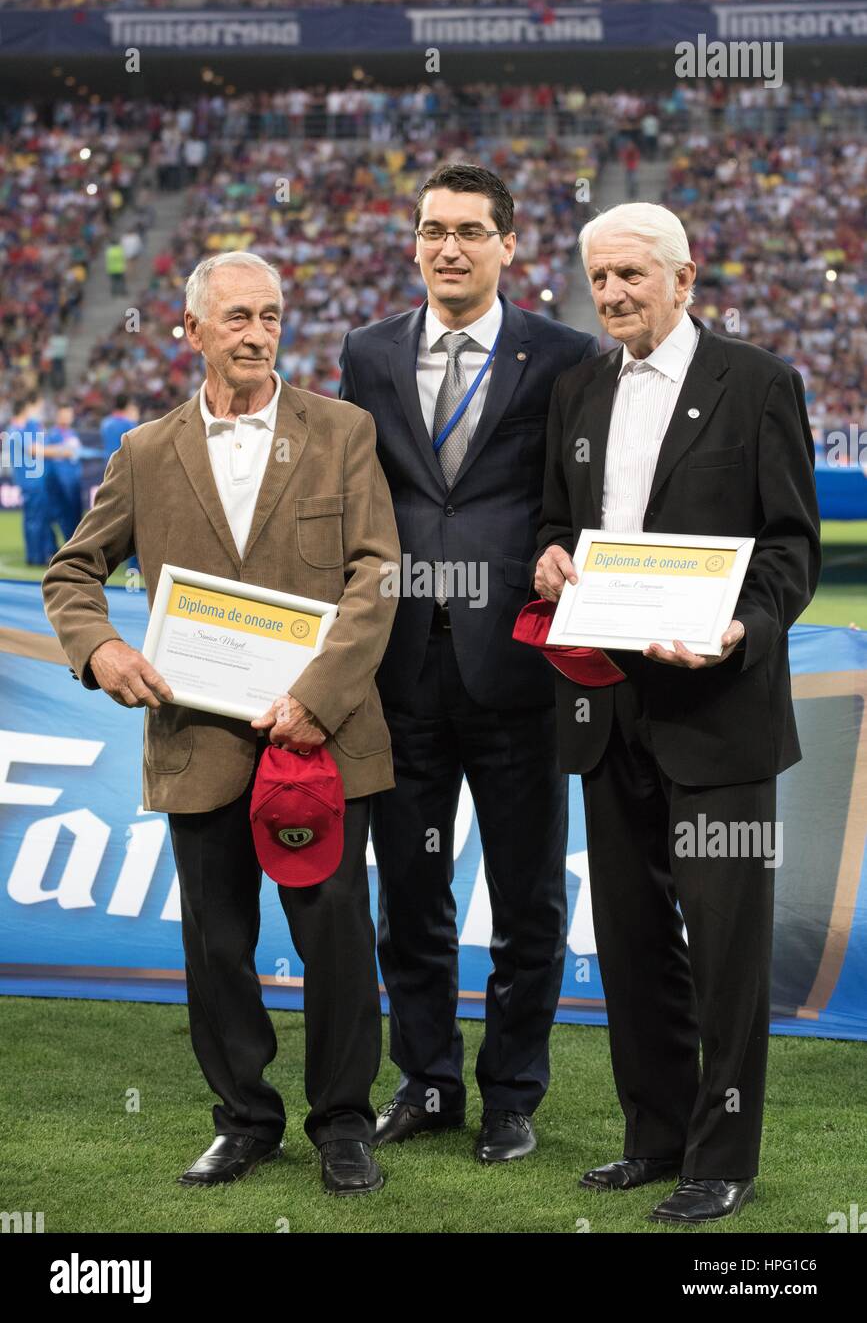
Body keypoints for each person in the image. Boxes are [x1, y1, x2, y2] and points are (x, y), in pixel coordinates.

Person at [43, 251, 401, 1197]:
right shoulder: (144, 451)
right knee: (216, 945)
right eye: (236, 317)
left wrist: (316, 699)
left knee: (334, 939)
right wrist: (98, 651)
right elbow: (72, 574)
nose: (256, 334)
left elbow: (377, 576)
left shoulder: (342, 431)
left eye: (271, 317)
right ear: (190, 330)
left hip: (319, 738)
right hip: (197, 744)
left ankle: (344, 1123)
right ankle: (244, 1118)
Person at [532, 202, 820, 1223]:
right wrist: (551, 556)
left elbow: (792, 548)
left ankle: (723, 1157)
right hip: (607, 710)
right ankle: (652, 1138)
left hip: (720, 707)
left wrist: (742, 627)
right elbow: (560, 527)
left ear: (684, 276)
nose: (611, 295)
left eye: (630, 277)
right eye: (597, 278)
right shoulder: (574, 390)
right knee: (632, 936)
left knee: (726, 940)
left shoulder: (760, 384)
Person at [339, 163, 597, 1163]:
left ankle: (514, 1094)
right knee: (410, 890)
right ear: (414, 242)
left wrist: (563, 545)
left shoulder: (564, 354)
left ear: (507, 246)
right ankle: (430, 1080)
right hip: (397, 668)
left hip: (519, 670)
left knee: (530, 895)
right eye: (435, 229)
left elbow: (579, 491)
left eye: (472, 230)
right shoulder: (365, 354)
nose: (452, 246)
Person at [9, 394, 57, 564]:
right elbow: (34, 450)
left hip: (29, 481)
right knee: (36, 519)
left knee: (33, 518)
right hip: (32, 481)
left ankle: (35, 555)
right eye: (36, 407)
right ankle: (37, 557)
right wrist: (63, 451)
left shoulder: (17, 428)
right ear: (27, 408)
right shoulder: (19, 429)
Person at [45, 401, 83, 542]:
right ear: (58, 416)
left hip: (73, 481)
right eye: (64, 415)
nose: (67, 417)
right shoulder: (52, 435)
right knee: (59, 517)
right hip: (60, 483)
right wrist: (63, 450)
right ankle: (52, 548)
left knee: (75, 519)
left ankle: (73, 548)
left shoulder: (72, 434)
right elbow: (44, 452)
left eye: (69, 415)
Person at [100, 396, 139, 461]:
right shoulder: (129, 424)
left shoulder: (105, 422)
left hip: (108, 461)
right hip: (123, 462)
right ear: (127, 405)